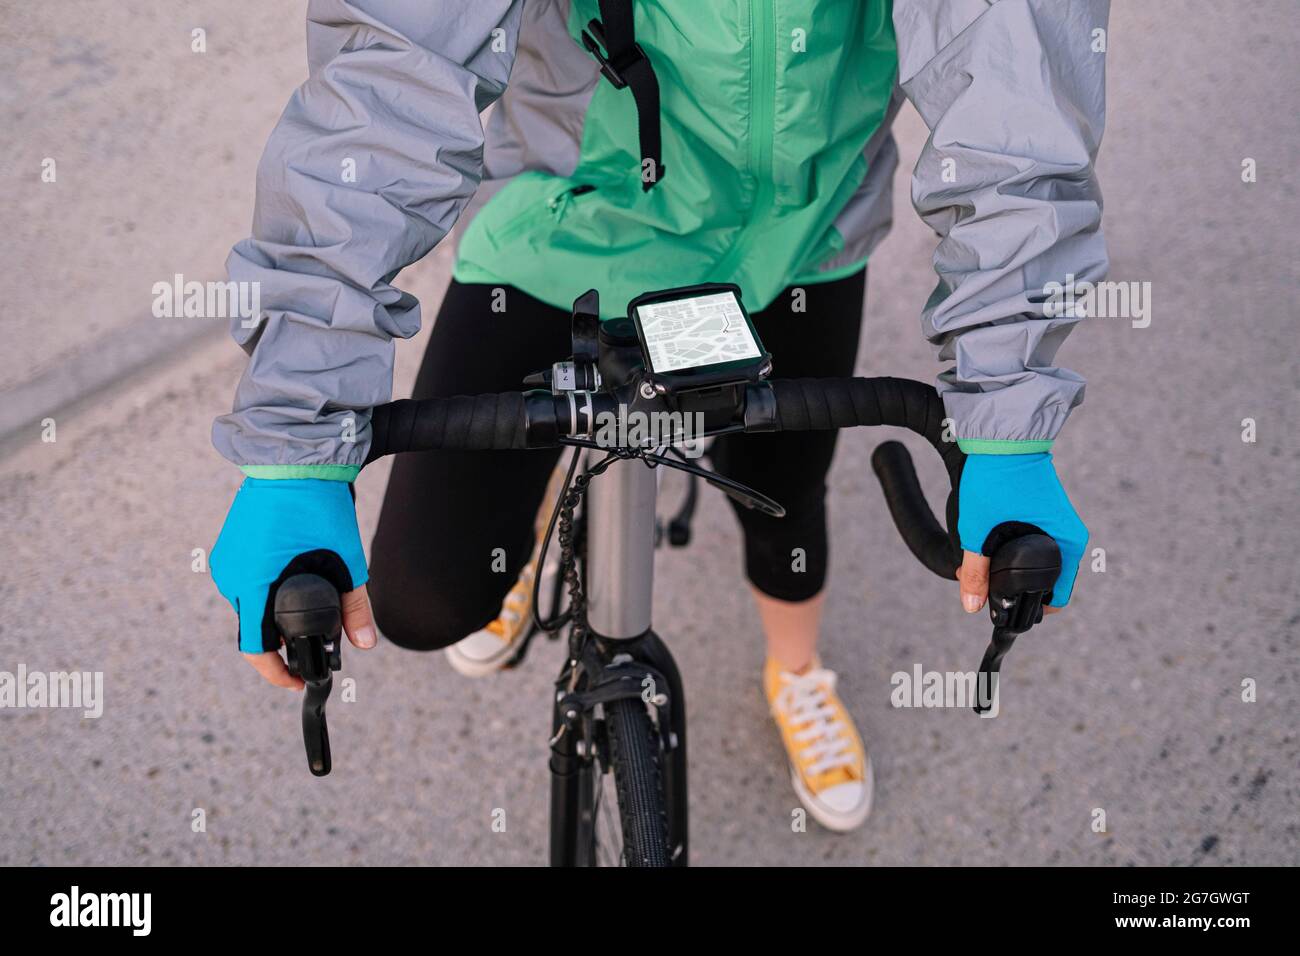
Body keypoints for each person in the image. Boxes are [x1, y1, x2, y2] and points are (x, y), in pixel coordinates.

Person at [211, 0, 1103, 833]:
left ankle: (797, 674)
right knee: (422, 601)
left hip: (804, 236)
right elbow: (389, 77)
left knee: (786, 499)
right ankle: (533, 523)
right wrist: (298, 437)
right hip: (571, 224)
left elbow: (1012, 91)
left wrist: (1008, 412)